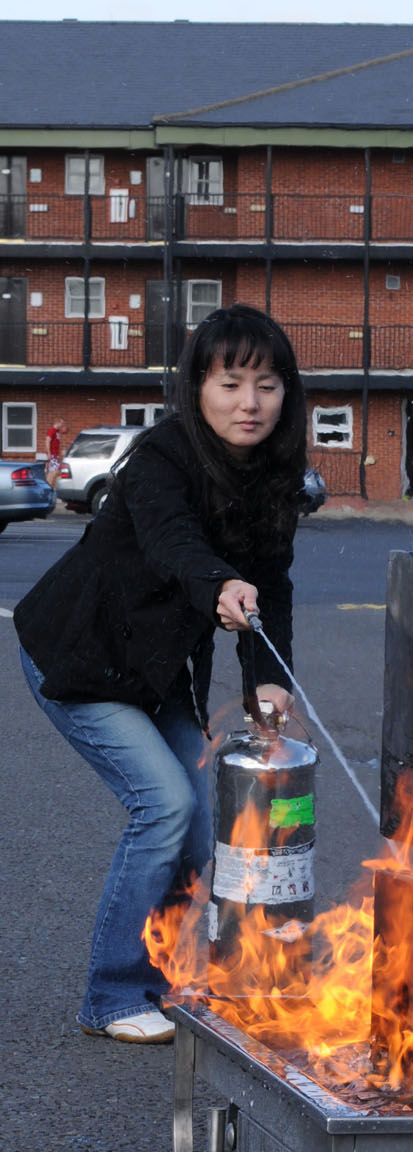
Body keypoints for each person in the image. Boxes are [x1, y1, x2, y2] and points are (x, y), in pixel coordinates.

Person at [15, 305, 307, 1044]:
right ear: (197, 388)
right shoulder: (161, 457)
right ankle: (111, 997)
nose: (250, 403)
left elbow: (270, 584)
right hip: (79, 657)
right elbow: (174, 542)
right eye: (231, 382)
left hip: (154, 672)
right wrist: (217, 585)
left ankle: (170, 978)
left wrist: (269, 682)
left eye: (267, 385)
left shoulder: (274, 475)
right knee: (165, 805)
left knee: (202, 825)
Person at [45, 417, 66, 487]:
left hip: (56, 455)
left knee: (54, 471)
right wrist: (49, 453)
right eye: (61, 423)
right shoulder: (52, 431)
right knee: (54, 471)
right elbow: (47, 441)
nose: (62, 425)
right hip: (52, 454)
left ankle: (49, 485)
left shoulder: (57, 432)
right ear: (58, 423)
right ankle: (48, 486)